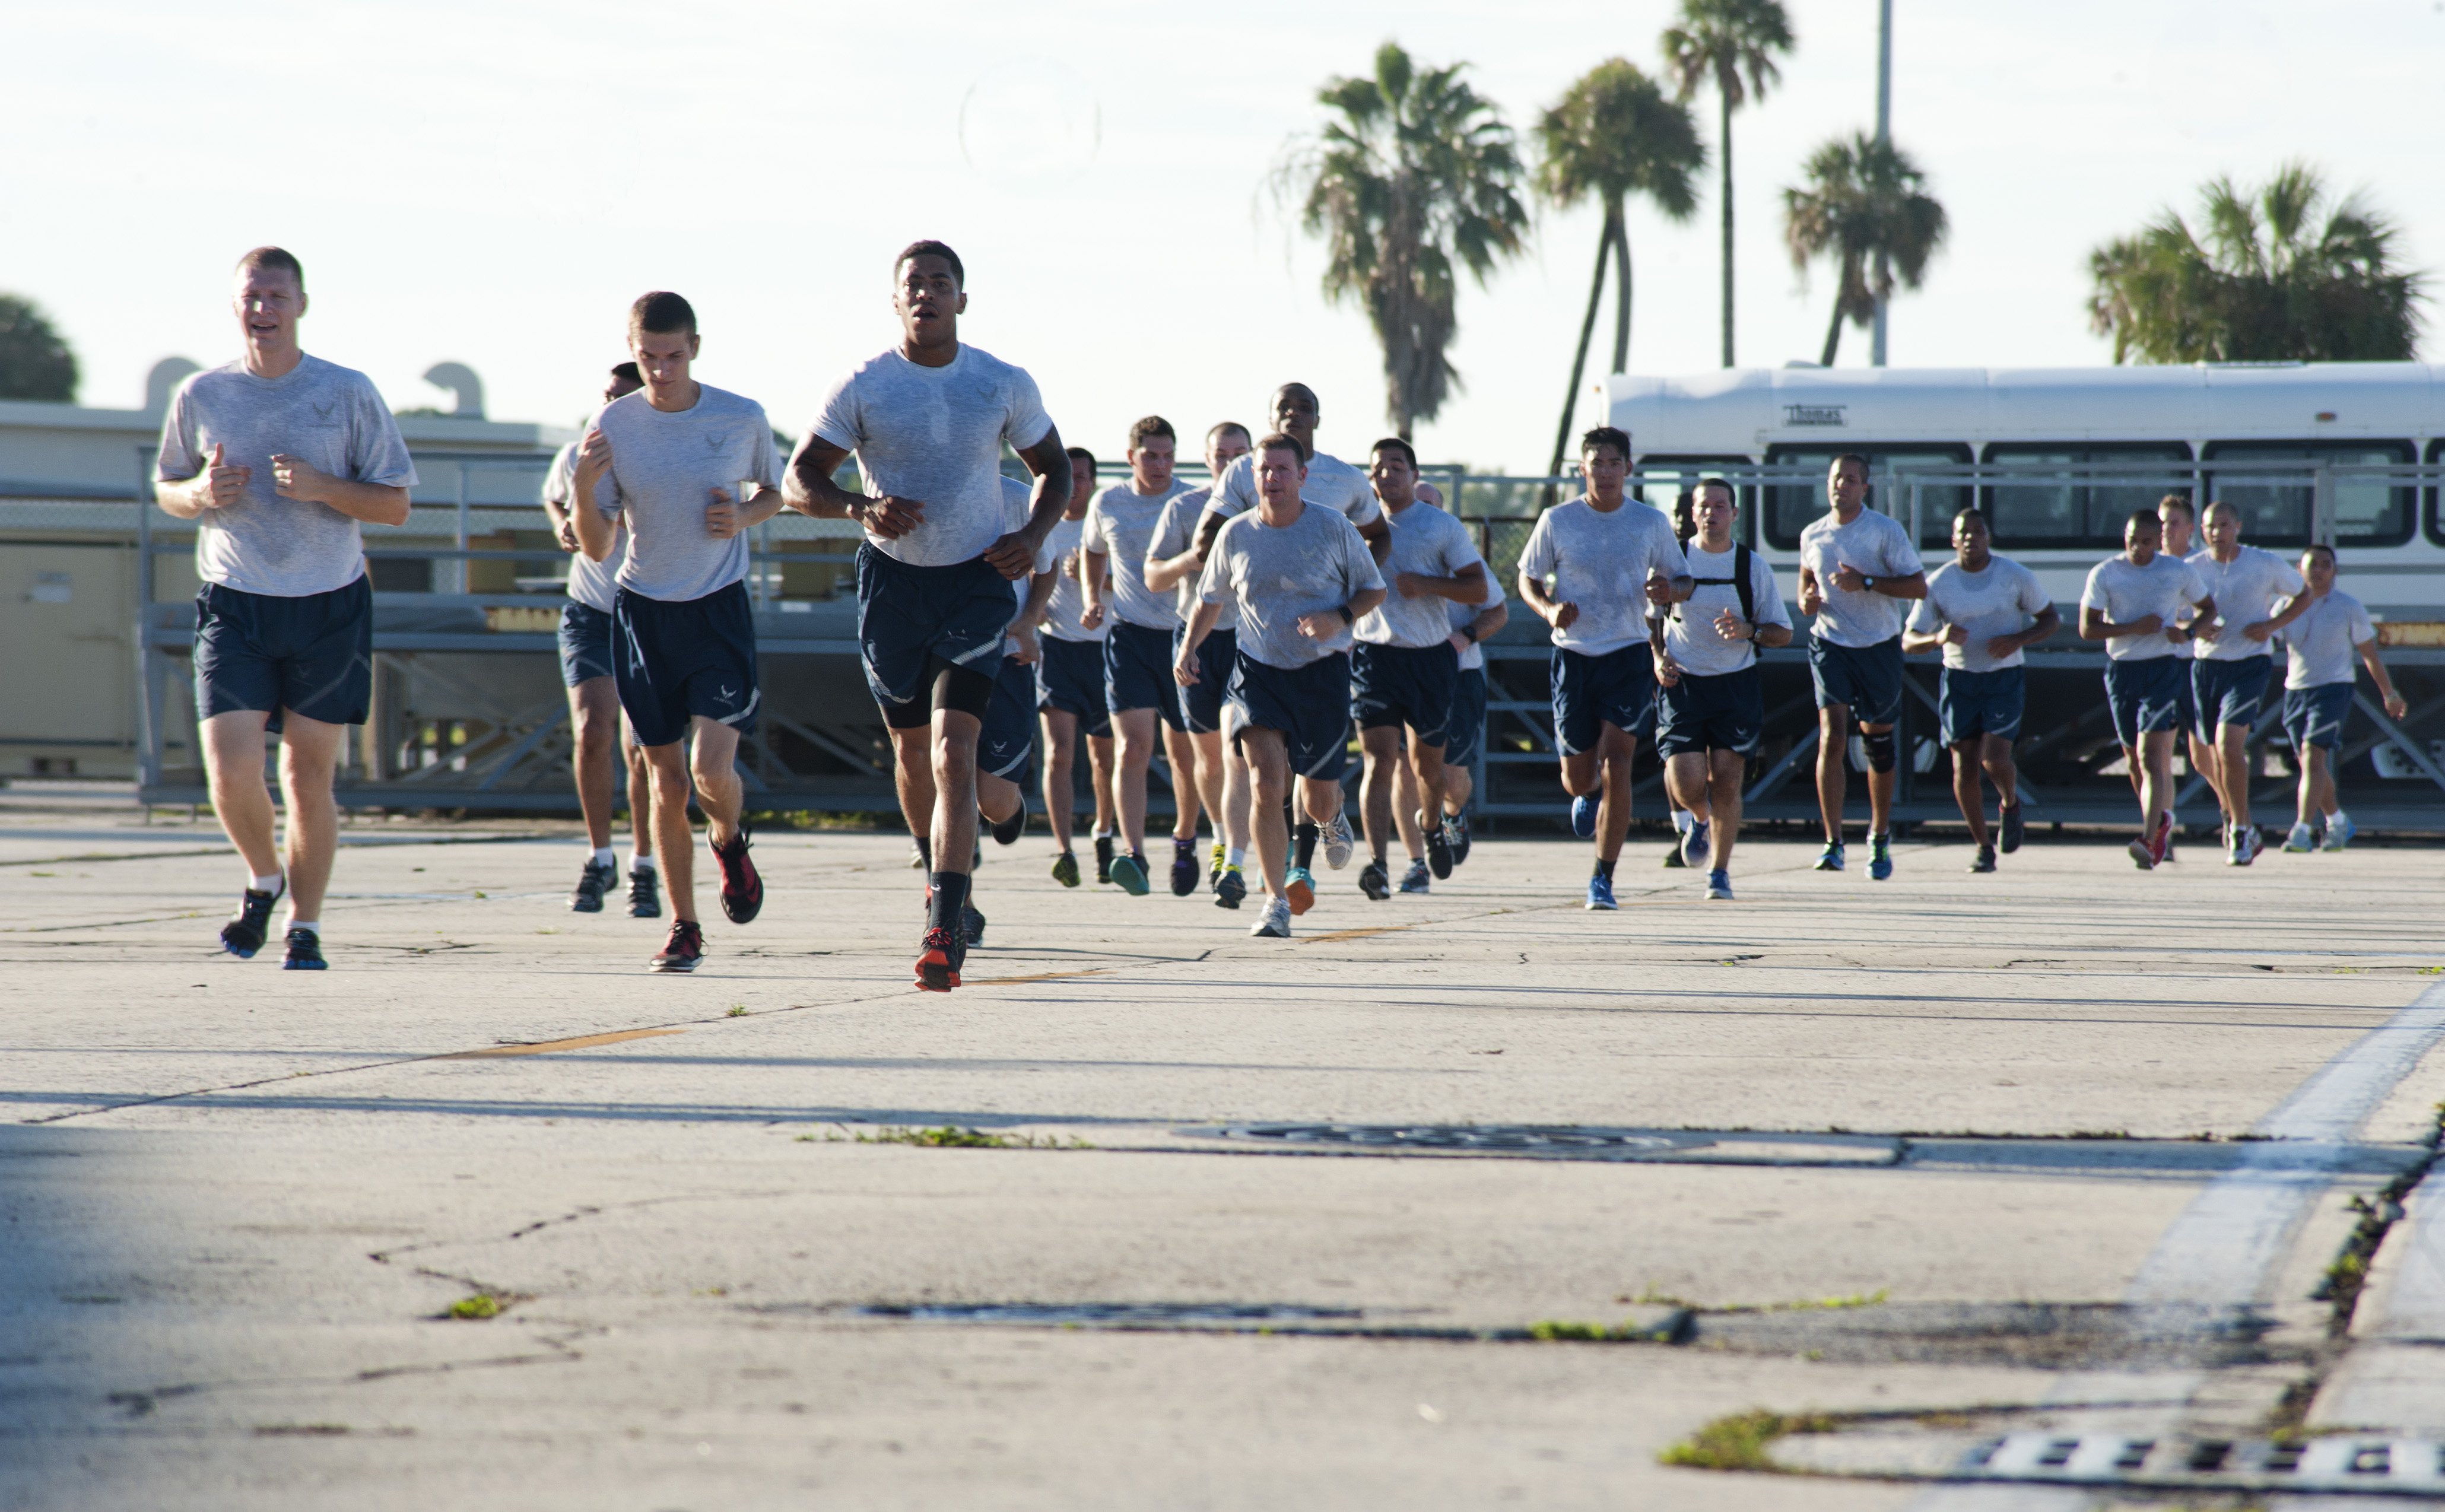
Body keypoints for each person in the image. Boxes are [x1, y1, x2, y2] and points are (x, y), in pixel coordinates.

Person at [786, 241, 1071, 992]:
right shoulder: (865, 385)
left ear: (961, 301)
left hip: (976, 581)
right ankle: (940, 875)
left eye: (940, 284)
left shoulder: (1000, 382)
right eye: (913, 285)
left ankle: (944, 925)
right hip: (893, 588)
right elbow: (798, 479)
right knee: (913, 757)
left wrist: (1031, 536)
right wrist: (857, 506)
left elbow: (1058, 469)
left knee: (954, 754)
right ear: (896, 301)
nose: (926, 295)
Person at [153, 246, 418, 971]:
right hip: (236, 601)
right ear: (235, 304)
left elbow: (394, 504)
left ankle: (305, 924)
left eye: (276, 296)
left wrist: (323, 485)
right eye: (252, 296)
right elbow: (168, 488)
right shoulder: (202, 393)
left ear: (302, 304)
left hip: (327, 602)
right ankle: (263, 878)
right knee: (230, 772)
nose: (263, 309)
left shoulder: (346, 392)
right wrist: (201, 495)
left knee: (308, 779)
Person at [570, 291, 783, 974]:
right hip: (641, 612)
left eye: (673, 355)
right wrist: (582, 488)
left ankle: (728, 838)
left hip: (716, 608)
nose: (661, 370)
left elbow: (777, 494)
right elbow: (598, 547)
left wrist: (743, 519)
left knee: (709, 770)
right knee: (663, 777)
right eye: (648, 357)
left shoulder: (739, 415)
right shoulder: (613, 425)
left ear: (695, 346)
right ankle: (684, 924)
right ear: (634, 350)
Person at [1177, 434, 1385, 936]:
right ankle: (1275, 902)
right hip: (1258, 672)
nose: (1272, 478)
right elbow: (1210, 598)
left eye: (1282, 469)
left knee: (1315, 799)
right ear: (1254, 478)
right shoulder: (1236, 534)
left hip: (1322, 675)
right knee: (1265, 784)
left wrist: (1338, 618)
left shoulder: (1333, 527)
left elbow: (1374, 589)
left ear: (1301, 476)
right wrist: (1188, 647)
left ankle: (1331, 818)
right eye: (1264, 470)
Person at [1514, 426, 1690, 911]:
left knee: (1619, 764)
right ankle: (1585, 793)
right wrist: (1549, 610)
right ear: (1582, 469)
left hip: (1629, 653)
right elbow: (1527, 580)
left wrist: (1669, 591)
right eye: (1597, 463)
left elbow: (1683, 579)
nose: (1606, 472)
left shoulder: (1650, 522)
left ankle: (1602, 879)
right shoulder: (1558, 520)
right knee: (1578, 777)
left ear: (1628, 469)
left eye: (1615, 463)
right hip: (1574, 655)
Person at [540, 361, 659, 918]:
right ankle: (600, 857)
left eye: (623, 399)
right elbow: (555, 498)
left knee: (641, 751)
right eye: (607, 396)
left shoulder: (659, 458)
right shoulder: (579, 454)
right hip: (589, 611)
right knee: (592, 731)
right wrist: (564, 519)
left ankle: (644, 865)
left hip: (645, 613)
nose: (610, 409)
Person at [1351, 436, 1487, 899]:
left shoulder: (1440, 526)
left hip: (1430, 659)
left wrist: (1426, 584)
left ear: (1413, 474)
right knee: (1379, 761)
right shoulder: (1354, 527)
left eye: (1396, 467)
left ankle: (1430, 827)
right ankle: (1378, 864)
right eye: (1378, 469)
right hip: (1374, 656)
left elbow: (1478, 591)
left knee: (1430, 770)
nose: (1386, 475)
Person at [1651, 477, 1790, 901]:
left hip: (1735, 685)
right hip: (1683, 683)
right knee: (1686, 780)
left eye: (1720, 505)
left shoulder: (1751, 567)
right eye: (1704, 506)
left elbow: (1782, 632)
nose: (1711, 512)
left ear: (1733, 513)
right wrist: (1658, 657)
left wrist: (1749, 630)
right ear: (1693, 515)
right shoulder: (1673, 561)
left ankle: (1720, 873)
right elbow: (1649, 618)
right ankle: (1697, 818)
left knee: (1727, 781)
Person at [1900, 507, 2059, 873]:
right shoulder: (1939, 582)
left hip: (2003, 677)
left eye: (1978, 531)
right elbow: (1909, 640)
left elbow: (2051, 619)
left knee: (1994, 759)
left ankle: (2009, 804)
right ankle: (1983, 847)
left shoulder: (2013, 576)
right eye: (1964, 533)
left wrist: (2017, 639)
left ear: (1990, 537)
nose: (1971, 538)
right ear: (1953, 540)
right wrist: (1939, 636)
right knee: (1964, 766)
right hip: (1960, 678)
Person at [1796, 453, 1927, 879]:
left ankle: (1879, 833)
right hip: (1830, 642)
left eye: (1851, 480)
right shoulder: (1813, 534)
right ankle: (1833, 842)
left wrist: (1866, 582)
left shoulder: (1885, 532)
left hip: (1878, 645)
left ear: (1864, 488)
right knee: (1831, 736)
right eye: (1836, 479)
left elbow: (1918, 586)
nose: (1842, 486)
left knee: (1878, 745)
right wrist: (1807, 602)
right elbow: (1806, 585)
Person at [1081, 417, 1194, 896]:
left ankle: (1186, 842)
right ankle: (1135, 854)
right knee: (1132, 748)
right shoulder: (1108, 501)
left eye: (1168, 456)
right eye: (1151, 455)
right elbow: (1092, 550)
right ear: (1132, 458)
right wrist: (1092, 595)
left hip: (1186, 637)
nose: (1161, 465)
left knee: (1186, 755)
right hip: (1129, 636)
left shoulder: (1191, 501)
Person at [1145, 421, 1255, 906]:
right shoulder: (1185, 508)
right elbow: (1153, 577)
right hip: (1197, 639)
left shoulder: (1268, 507)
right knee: (1208, 759)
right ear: (1207, 459)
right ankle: (1218, 839)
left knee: (1240, 755)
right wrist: (1191, 558)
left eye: (1239, 453)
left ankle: (1236, 855)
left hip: (1253, 640)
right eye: (1220, 454)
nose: (1230, 462)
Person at [2079, 510, 2214, 870]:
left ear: (2159, 542)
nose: (2137, 548)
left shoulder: (2176, 571)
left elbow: (2209, 610)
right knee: (2137, 763)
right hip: (2122, 672)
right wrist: (2131, 628)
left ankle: (2149, 836)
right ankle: (2161, 824)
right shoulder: (2106, 572)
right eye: (2131, 539)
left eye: (2146, 542)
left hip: (2162, 671)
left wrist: (2187, 634)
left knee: (2154, 758)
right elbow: (2087, 629)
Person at [2185, 500, 2310, 866]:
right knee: (2206, 757)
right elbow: (2173, 615)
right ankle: (2243, 822)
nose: (2216, 533)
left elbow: (2303, 595)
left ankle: (2238, 830)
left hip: (2249, 664)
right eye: (2209, 527)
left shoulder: (2263, 563)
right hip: (2207, 665)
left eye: (2223, 525)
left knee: (2228, 745)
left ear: (2238, 527)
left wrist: (2271, 626)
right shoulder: (2190, 569)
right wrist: (2194, 628)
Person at [2275, 545, 2407, 852]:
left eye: (2326, 565)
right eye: (2313, 565)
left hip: (2333, 689)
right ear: (2300, 569)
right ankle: (2337, 821)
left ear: (2335, 572)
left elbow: (2370, 655)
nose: (2319, 570)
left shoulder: (2348, 607)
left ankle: (2301, 830)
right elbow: (2265, 638)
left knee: (2313, 756)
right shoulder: (2284, 606)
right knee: (2311, 765)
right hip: (2296, 690)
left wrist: (2390, 693)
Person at [1031, 447, 1119, 886]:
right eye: (1071, 477)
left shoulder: (1103, 525)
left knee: (1104, 758)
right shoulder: (1040, 524)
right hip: (1058, 651)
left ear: (1093, 481)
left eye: (1084, 477)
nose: (1077, 485)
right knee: (1059, 753)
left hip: (1104, 651)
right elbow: (1023, 577)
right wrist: (1034, 611)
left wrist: (1092, 579)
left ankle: (1103, 832)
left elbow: (1137, 587)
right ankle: (1064, 849)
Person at [2156, 494, 2211, 856]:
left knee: (2202, 755)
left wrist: (2188, 627)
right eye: (2161, 523)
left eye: (2173, 523)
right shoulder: (2151, 566)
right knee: (2157, 756)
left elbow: (2214, 617)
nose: (2165, 530)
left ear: (2190, 529)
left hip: (2197, 664)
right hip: (2160, 666)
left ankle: (2232, 814)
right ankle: (2163, 832)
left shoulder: (2202, 566)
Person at [1657, 485, 1701, 868]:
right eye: (1675, 513)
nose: (1679, 521)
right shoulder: (1662, 557)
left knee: (1712, 761)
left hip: (1717, 670)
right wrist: (1657, 655)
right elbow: (1651, 615)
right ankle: (1681, 833)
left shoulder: (1714, 556)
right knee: (1672, 757)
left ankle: (1706, 827)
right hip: (1673, 670)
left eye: (1686, 513)